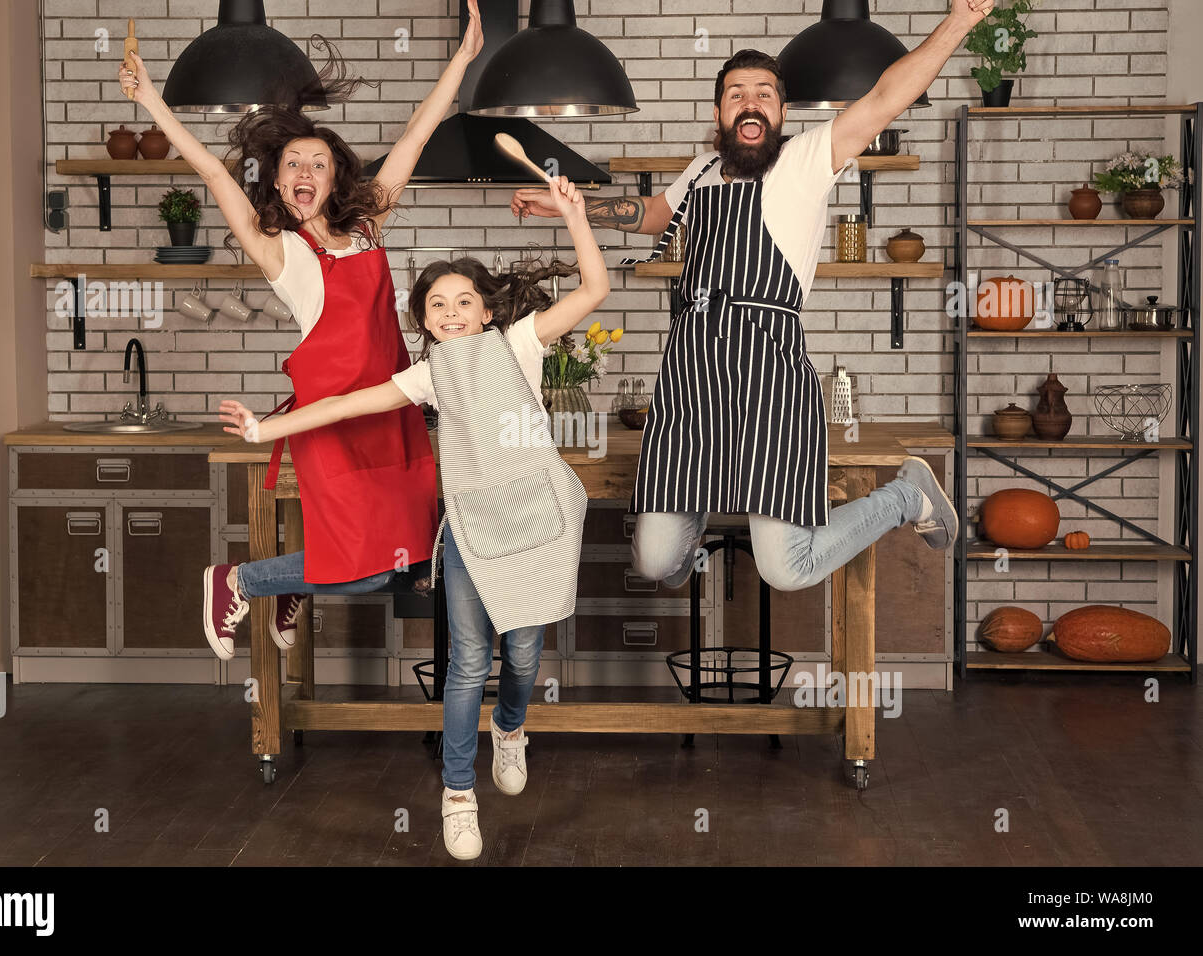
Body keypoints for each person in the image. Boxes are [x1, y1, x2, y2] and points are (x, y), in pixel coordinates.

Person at [510, 0, 997, 593]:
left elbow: (885, 97)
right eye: (737, 93)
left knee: (784, 568)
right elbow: (653, 215)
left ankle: (905, 495)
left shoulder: (805, 160)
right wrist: (571, 206)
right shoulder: (701, 171)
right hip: (691, 380)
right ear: (719, 111)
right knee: (657, 562)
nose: (751, 102)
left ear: (782, 111)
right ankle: (694, 534)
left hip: (770, 381)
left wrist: (961, 21)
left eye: (764, 93)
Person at [220, 174, 607, 861]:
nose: (453, 312)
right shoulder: (424, 377)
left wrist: (576, 217)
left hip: (535, 524)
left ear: (486, 312)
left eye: (464, 301)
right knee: (467, 665)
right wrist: (264, 427)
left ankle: (511, 729)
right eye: (438, 304)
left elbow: (593, 291)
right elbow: (344, 406)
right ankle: (458, 796)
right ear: (424, 322)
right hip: (470, 529)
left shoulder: (518, 344)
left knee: (521, 654)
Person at [116, 1, 486, 658]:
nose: (305, 173)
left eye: (317, 162)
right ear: (279, 184)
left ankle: (292, 585)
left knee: (405, 562)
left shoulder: (368, 227)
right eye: (292, 165)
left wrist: (461, 60)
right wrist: (148, 98)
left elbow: (415, 139)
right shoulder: (279, 250)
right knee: (364, 564)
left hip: (391, 410)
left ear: (336, 174)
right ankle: (241, 579)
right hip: (332, 425)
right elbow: (208, 168)